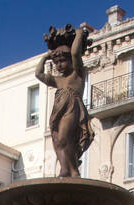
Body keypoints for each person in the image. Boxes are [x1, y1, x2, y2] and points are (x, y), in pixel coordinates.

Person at [36, 23, 94, 178]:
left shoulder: (78, 74)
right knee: (57, 140)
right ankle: (65, 169)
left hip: (72, 107)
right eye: (56, 63)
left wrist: (80, 34)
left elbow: (75, 53)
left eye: (62, 60)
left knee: (64, 138)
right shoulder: (58, 81)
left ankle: (73, 171)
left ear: (70, 60)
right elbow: (38, 74)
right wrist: (45, 57)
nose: (59, 65)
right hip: (58, 110)